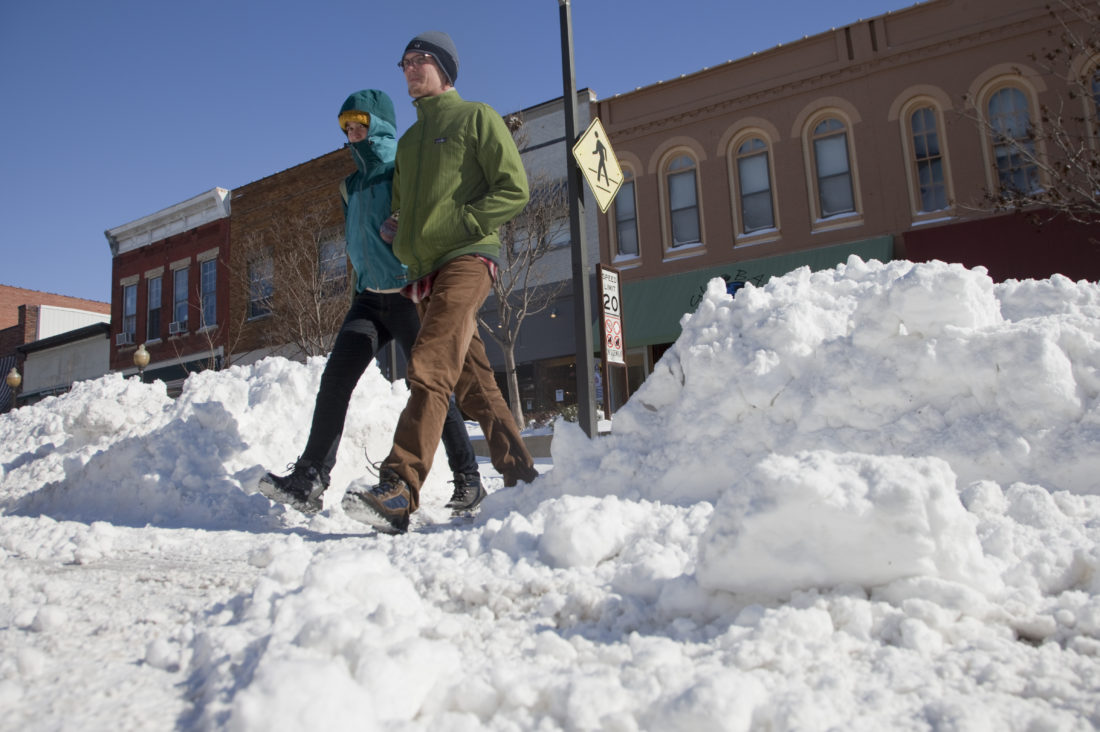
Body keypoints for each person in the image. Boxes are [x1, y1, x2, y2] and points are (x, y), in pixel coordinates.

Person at [342, 31, 538, 533]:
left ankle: (399, 487)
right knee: (474, 384)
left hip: (469, 258)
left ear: (445, 68)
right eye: (404, 62)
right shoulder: (407, 143)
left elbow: (513, 189)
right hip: (423, 273)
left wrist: (465, 223)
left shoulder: (477, 117)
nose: (409, 68)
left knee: (428, 364)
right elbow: (405, 210)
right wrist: (399, 232)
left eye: (419, 59)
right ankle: (527, 483)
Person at [259, 88, 486, 515]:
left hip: (407, 293)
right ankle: (309, 479)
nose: (352, 132)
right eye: (346, 127)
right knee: (335, 382)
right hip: (367, 300)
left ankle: (469, 480)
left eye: (359, 124)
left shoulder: (403, 168)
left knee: (430, 385)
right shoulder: (350, 186)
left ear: (378, 124)